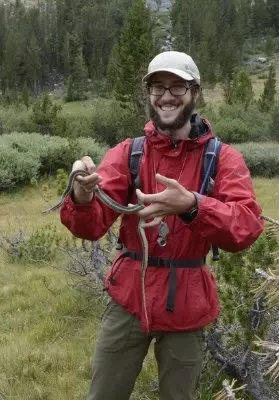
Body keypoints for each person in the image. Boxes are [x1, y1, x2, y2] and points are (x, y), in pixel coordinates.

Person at [60, 50, 264, 400]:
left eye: (177, 87)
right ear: (149, 94)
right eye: (158, 87)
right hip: (128, 299)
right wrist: (81, 196)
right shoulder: (128, 152)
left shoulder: (222, 158)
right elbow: (91, 227)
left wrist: (192, 206)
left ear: (194, 93)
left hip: (187, 305)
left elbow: (246, 226)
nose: (166, 96)